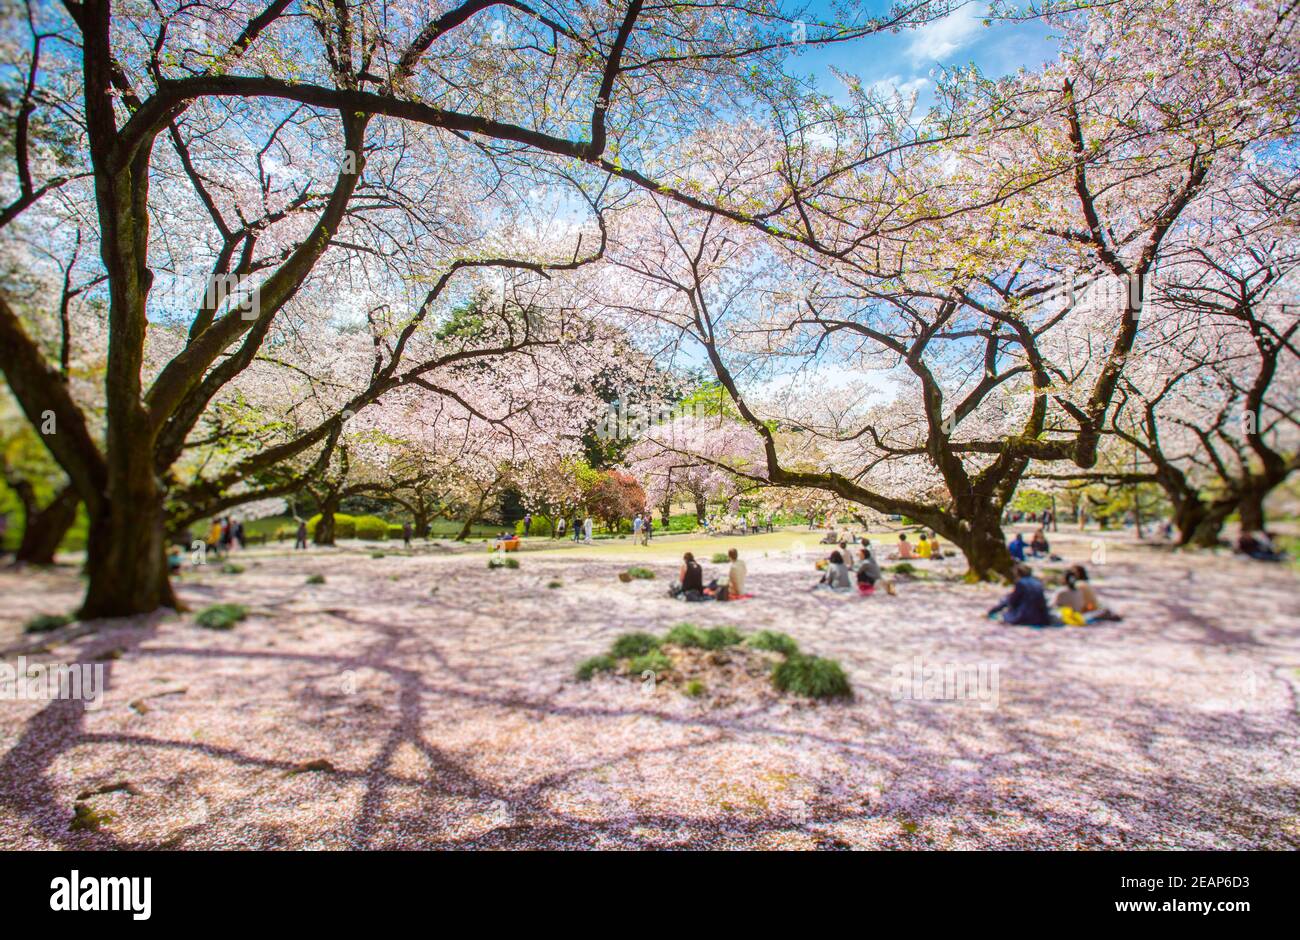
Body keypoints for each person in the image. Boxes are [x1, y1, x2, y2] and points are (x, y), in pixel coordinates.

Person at [989, 564, 1056, 626]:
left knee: (1004, 613)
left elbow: (1012, 601)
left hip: (1025, 617)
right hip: (1042, 618)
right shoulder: (1037, 582)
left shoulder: (1021, 583)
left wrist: (993, 610)